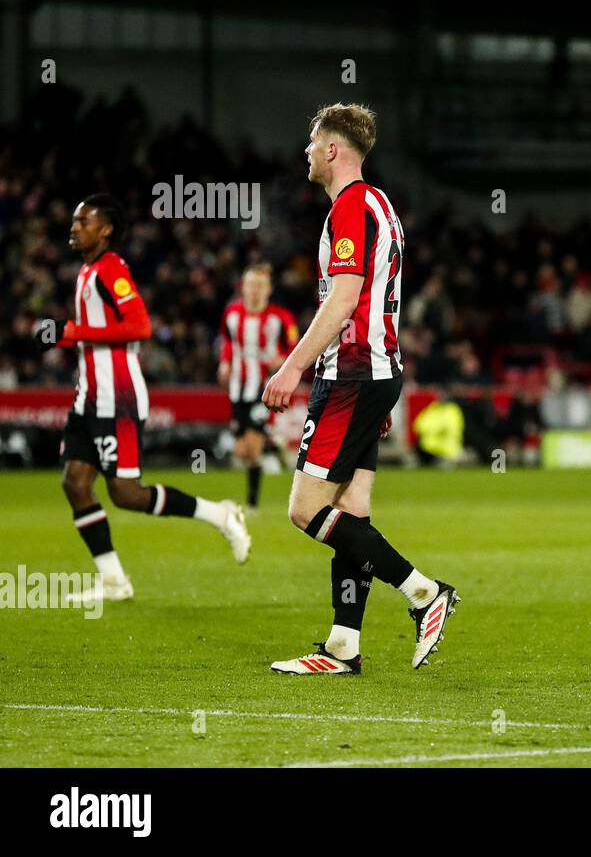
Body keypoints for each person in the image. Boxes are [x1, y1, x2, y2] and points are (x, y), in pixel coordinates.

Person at [263, 103, 458, 675]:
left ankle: (424, 592)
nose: (304, 153)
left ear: (331, 149)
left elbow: (345, 299)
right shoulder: (383, 206)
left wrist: (292, 366)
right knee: (353, 511)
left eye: (311, 143)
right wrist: (385, 387)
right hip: (374, 372)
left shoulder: (351, 206)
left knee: (305, 510)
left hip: (349, 373)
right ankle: (343, 646)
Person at [49, 194, 251, 605]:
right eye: (73, 220)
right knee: (75, 482)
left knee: (126, 493)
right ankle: (113, 580)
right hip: (88, 398)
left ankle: (220, 514)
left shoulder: (111, 269)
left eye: (83, 220)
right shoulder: (87, 271)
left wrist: (75, 332)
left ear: (105, 229)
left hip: (117, 399)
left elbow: (139, 325)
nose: (75, 227)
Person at [218, 262, 300, 509]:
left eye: (259, 285)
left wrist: (283, 359)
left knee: (253, 448)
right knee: (241, 452)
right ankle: (275, 445)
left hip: (266, 387)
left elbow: (296, 345)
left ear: (269, 289)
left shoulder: (281, 317)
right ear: (243, 287)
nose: (254, 290)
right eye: (250, 285)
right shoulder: (231, 313)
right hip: (238, 387)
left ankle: (252, 504)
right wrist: (224, 363)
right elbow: (227, 341)